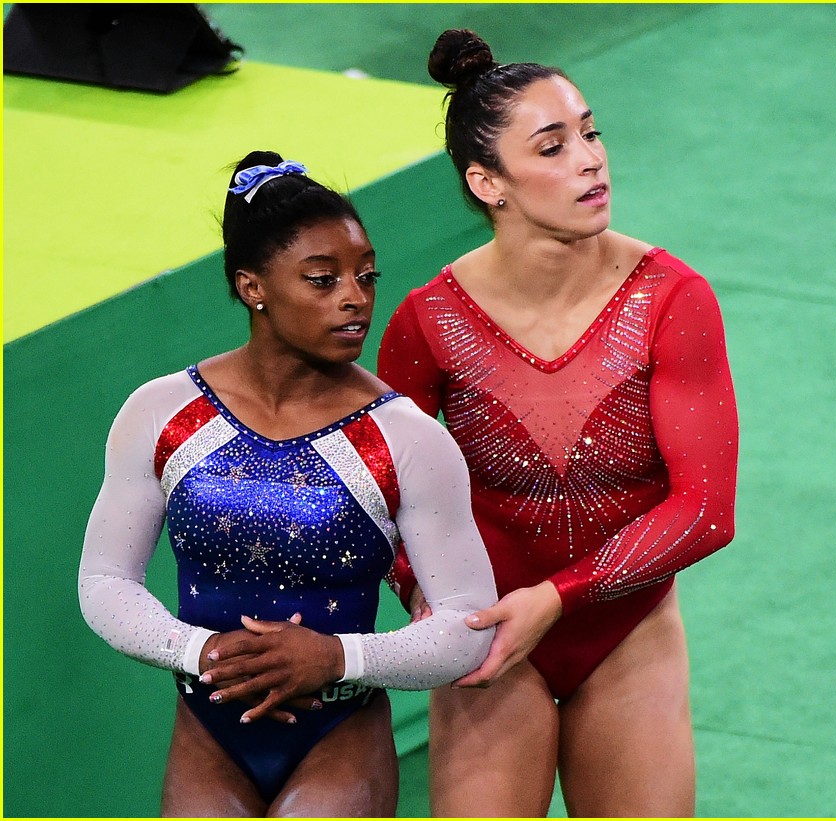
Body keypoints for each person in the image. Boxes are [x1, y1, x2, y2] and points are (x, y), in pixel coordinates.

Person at [376, 30, 739, 817]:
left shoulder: (673, 301)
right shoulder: (427, 322)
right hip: (489, 636)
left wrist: (558, 597)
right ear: (487, 182)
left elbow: (705, 509)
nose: (590, 159)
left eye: (590, 132)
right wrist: (427, 596)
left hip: (625, 630)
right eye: (552, 146)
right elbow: (381, 495)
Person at [78, 151, 497, 817]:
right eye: (322, 280)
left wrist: (338, 658)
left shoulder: (407, 439)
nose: (356, 297)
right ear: (253, 287)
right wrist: (198, 649)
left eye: (365, 276)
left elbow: (468, 623)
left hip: (337, 732)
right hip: (208, 731)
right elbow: (104, 580)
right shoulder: (161, 414)